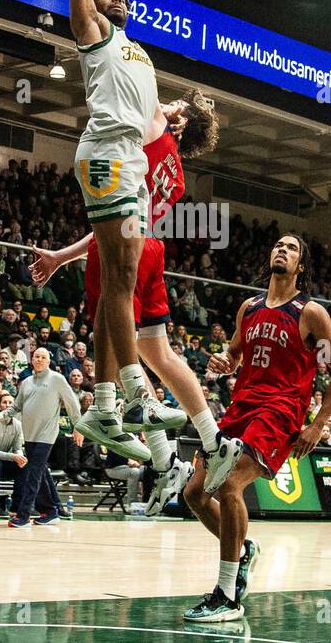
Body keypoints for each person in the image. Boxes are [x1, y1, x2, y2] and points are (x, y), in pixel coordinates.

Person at [32, 88, 221, 512]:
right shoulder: (178, 177)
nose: (168, 103)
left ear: (182, 121)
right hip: (151, 248)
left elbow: (132, 77)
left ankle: (120, 422)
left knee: (119, 347)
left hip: (123, 249)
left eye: (178, 105)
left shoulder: (154, 125)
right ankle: (206, 441)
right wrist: (63, 257)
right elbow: (120, 221)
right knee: (159, 352)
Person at [49, 0, 174, 460]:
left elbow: (147, 114)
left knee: (113, 282)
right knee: (122, 279)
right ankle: (135, 396)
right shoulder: (93, 34)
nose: (112, 2)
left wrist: (172, 114)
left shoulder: (135, 51)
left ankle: (101, 407)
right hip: (106, 157)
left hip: (128, 159)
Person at [182, 235, 331, 622]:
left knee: (229, 484)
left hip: (279, 412)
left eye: (291, 248)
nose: (282, 250)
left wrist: (319, 423)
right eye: (277, 245)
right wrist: (225, 359)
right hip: (242, 406)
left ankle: (227, 597)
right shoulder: (250, 307)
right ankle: (243, 551)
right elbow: (236, 352)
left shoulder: (310, 314)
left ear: (300, 266)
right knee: (193, 492)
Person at [4, 346, 80, 528]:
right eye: (36, 356)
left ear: (48, 361)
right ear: (32, 360)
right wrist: (3, 415)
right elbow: (17, 406)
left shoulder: (57, 379)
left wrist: (79, 426)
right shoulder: (27, 382)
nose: (39, 360)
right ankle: (51, 511)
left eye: (43, 357)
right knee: (40, 473)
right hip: (30, 434)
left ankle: (23, 515)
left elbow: (72, 403)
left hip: (47, 435)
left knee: (33, 473)